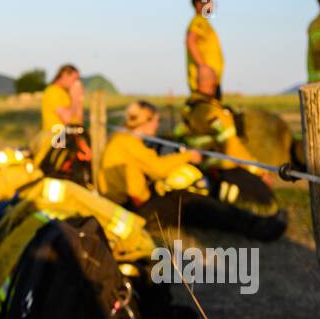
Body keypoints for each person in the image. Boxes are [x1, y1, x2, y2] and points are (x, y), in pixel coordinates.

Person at [101, 101, 285, 240]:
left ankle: (252, 221)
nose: (157, 126)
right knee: (194, 203)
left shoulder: (121, 137)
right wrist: (188, 156)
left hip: (125, 204)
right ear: (147, 121)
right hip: (134, 209)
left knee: (188, 199)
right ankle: (259, 228)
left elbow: (147, 165)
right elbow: (158, 169)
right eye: (156, 121)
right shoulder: (129, 143)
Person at [185, 0, 223, 97]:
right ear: (198, 4)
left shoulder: (203, 22)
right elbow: (190, 41)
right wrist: (203, 67)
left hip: (210, 79)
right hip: (204, 81)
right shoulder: (198, 21)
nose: (213, 6)